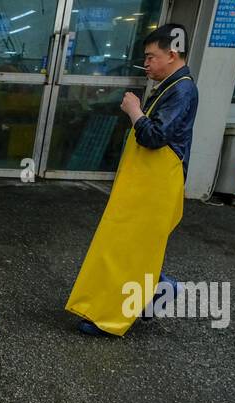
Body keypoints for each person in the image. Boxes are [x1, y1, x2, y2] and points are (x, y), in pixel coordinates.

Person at [65, 23, 199, 336]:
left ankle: (114, 315)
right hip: (148, 184)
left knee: (129, 248)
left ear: (172, 53)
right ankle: (157, 290)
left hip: (155, 187)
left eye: (152, 56)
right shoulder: (170, 86)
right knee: (128, 247)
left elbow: (155, 136)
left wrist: (135, 111)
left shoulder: (182, 89)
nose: (147, 63)